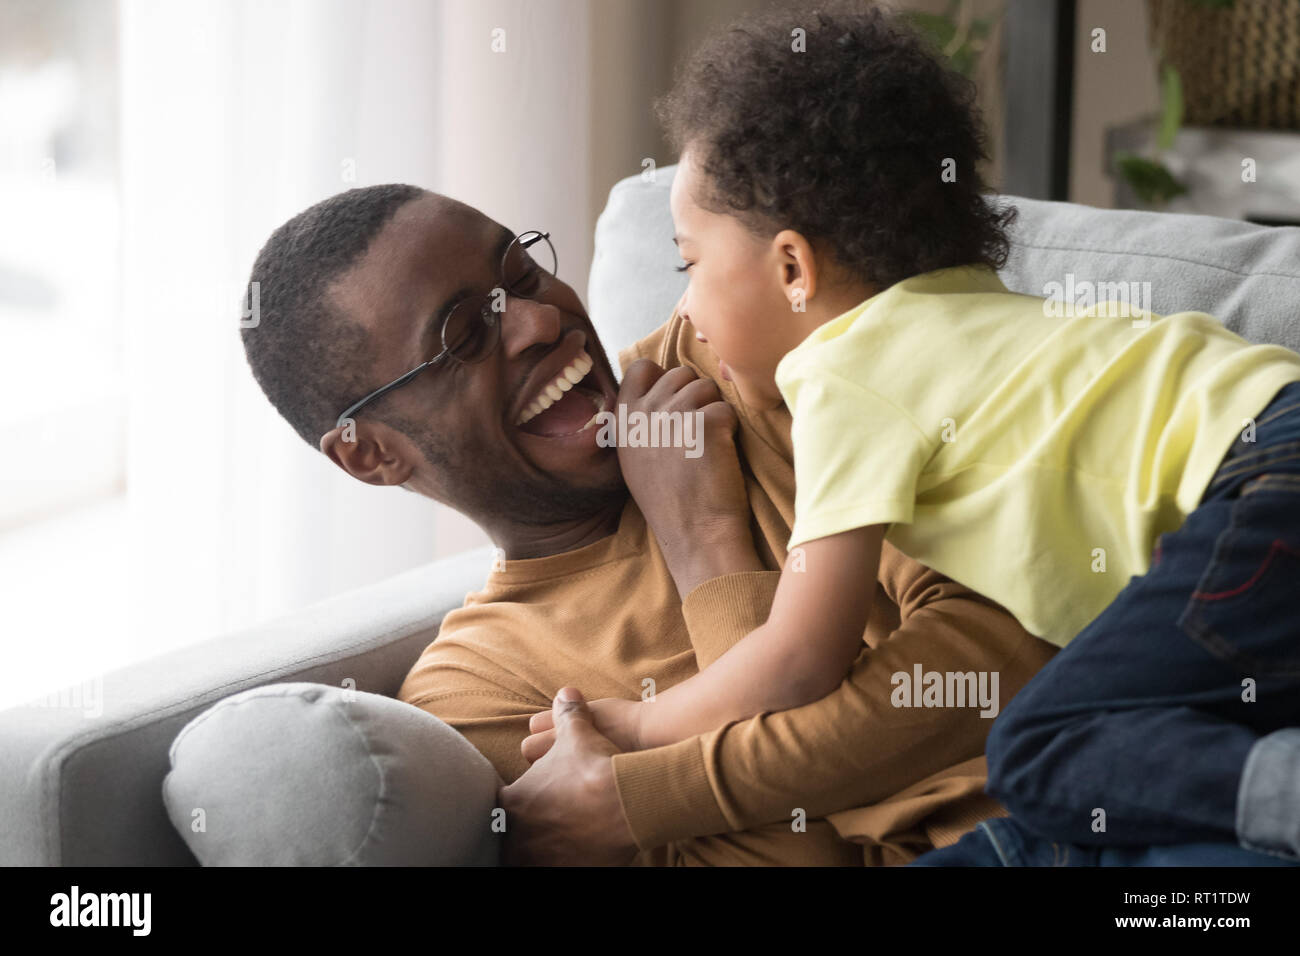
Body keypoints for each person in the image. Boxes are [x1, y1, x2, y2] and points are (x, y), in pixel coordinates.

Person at [518, 1, 1300, 866]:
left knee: (1048, 747)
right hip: (1267, 453)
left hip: (1259, 478)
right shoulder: (969, 307)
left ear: (791, 267)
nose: (685, 309)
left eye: (688, 264)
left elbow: (797, 660)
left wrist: (638, 724)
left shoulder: (845, 376)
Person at [239, 178, 1055, 865]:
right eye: (465, 335)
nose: (540, 321)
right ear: (372, 454)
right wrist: (706, 545)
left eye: (520, 275)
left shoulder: (728, 364)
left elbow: (1010, 637)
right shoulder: (482, 691)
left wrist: (668, 782)